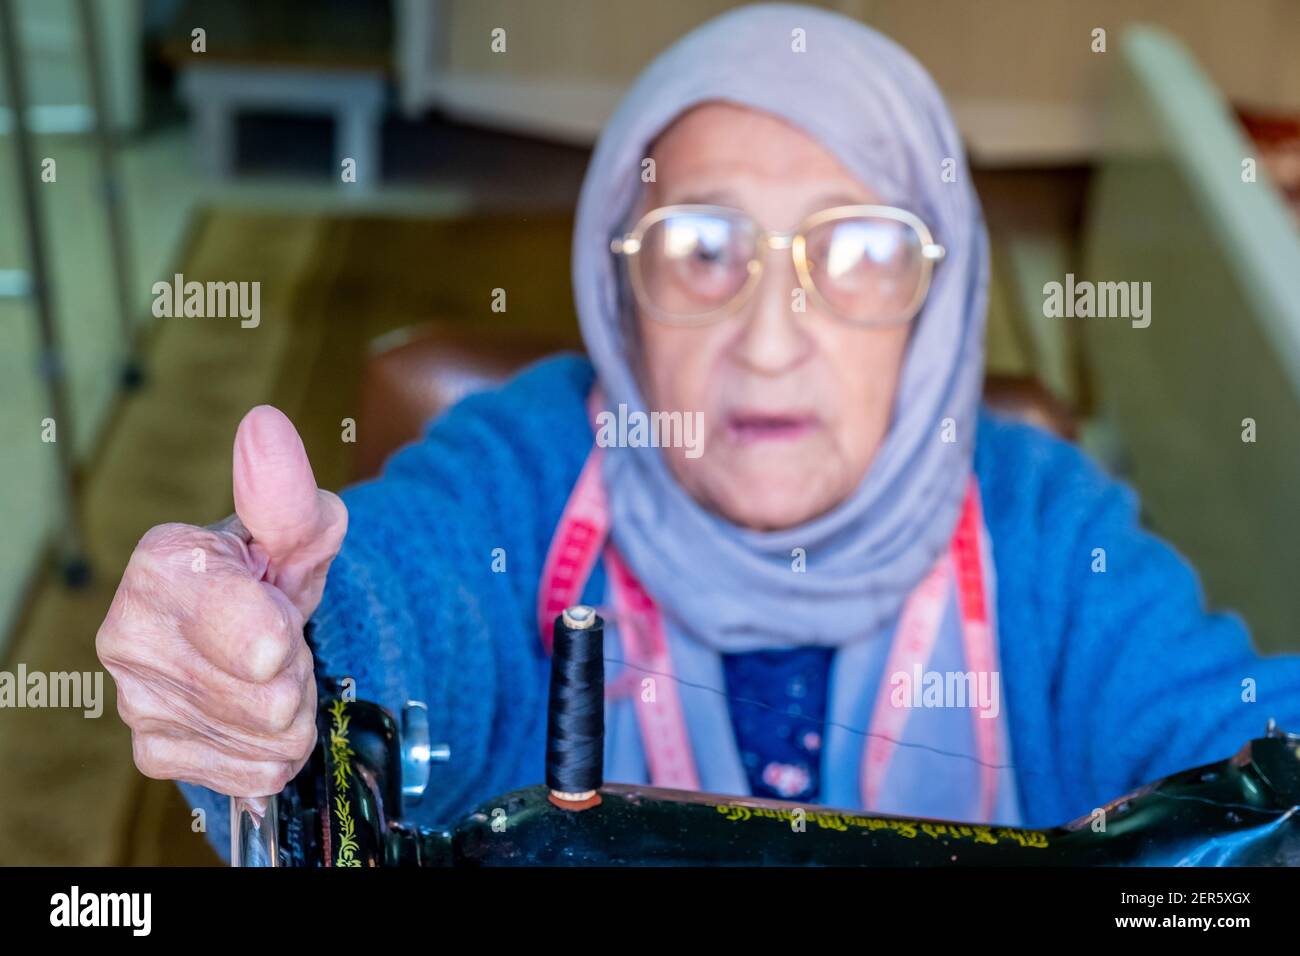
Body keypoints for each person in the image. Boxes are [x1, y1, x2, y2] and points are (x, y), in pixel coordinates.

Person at [95, 4, 1300, 861]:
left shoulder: (1046, 525)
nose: (770, 339)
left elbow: (1240, 756)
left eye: (862, 251)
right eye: (699, 250)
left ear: (940, 300)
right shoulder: (530, 469)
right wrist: (273, 655)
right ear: (618, 294)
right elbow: (402, 597)